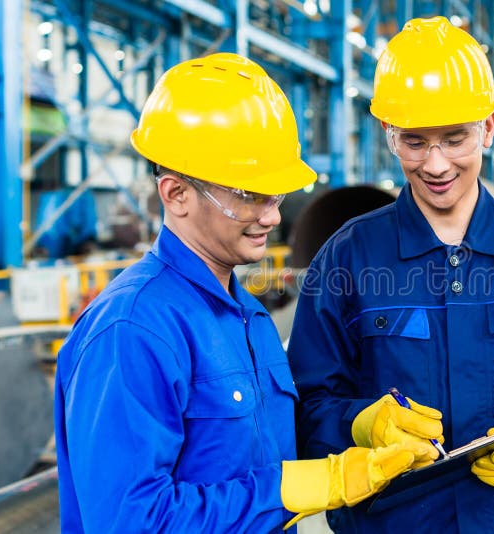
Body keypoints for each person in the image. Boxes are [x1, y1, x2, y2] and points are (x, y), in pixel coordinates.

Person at [53, 53, 435, 533]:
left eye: (274, 195)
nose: (273, 217)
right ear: (175, 194)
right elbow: (129, 520)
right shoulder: (133, 330)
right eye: (249, 196)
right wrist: (281, 492)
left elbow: (257, 444)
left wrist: (357, 424)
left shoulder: (248, 317)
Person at [287, 17, 494, 533]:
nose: (436, 164)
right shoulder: (347, 258)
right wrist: (360, 423)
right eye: (415, 142)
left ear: (488, 126)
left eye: (455, 138)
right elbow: (306, 405)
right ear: (389, 134)